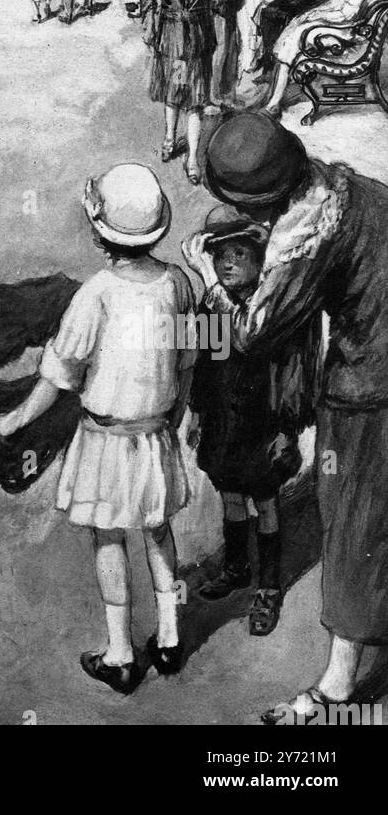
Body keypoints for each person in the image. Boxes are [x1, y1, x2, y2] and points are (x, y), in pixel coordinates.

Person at [184, 112, 388, 724]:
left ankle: (339, 684)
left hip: (372, 386)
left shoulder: (309, 239)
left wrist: (204, 276)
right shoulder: (352, 191)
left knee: (354, 522)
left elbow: (250, 333)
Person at [0, 163, 196, 695]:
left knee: (109, 538)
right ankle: (171, 640)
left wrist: (15, 419)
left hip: (106, 438)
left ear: (98, 229)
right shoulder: (180, 282)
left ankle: (122, 653)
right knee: (158, 529)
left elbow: (58, 373)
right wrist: (180, 410)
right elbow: (193, 357)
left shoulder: (95, 293)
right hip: (155, 434)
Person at [187, 204, 320, 637]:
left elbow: (295, 375)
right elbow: (207, 362)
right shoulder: (211, 307)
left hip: (263, 424)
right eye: (219, 255)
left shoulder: (276, 310)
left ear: (260, 259)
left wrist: (288, 428)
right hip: (223, 421)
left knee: (265, 502)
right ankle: (236, 567)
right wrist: (197, 412)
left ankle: (268, 586)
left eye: (238, 255)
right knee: (228, 492)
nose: (227, 264)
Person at [139, 0, 225, 184]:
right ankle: (168, 137)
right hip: (173, 32)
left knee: (197, 97)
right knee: (176, 88)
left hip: (199, 32)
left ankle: (192, 159)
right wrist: (150, 25)